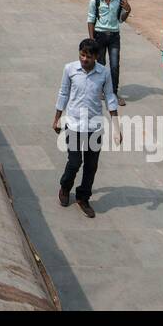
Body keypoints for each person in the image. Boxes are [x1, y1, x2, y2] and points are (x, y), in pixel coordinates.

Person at [53, 38, 121, 219]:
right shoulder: (70, 69)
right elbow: (63, 92)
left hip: (94, 125)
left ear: (96, 57)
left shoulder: (104, 73)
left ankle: (83, 197)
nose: (84, 59)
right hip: (74, 124)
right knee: (75, 162)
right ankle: (65, 187)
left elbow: (110, 97)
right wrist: (57, 118)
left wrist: (116, 127)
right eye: (82, 55)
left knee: (91, 165)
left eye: (88, 56)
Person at [87, 0, 131, 107]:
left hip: (114, 36)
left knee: (114, 65)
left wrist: (128, 10)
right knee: (100, 64)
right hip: (99, 35)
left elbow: (121, 20)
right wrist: (91, 39)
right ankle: (99, 90)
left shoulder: (120, 1)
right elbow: (90, 20)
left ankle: (113, 92)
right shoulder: (95, 1)